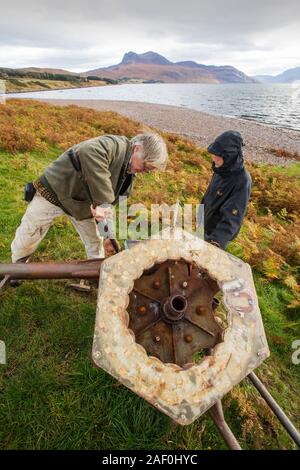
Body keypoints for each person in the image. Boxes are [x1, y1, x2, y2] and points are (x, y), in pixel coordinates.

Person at [11, 133, 168, 275]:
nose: (144, 172)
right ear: (137, 149)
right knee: (29, 234)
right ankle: (15, 270)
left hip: (82, 204)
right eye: (146, 166)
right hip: (53, 193)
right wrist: (102, 202)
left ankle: (97, 274)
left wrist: (108, 235)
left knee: (95, 244)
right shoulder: (114, 145)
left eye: (148, 170)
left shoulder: (128, 175)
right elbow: (89, 151)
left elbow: (108, 207)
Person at [201, 130, 251, 249]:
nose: (214, 159)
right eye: (214, 155)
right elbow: (208, 196)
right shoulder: (220, 170)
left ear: (230, 157)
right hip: (206, 226)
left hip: (218, 234)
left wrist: (215, 242)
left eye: (218, 156)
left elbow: (232, 218)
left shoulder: (242, 181)